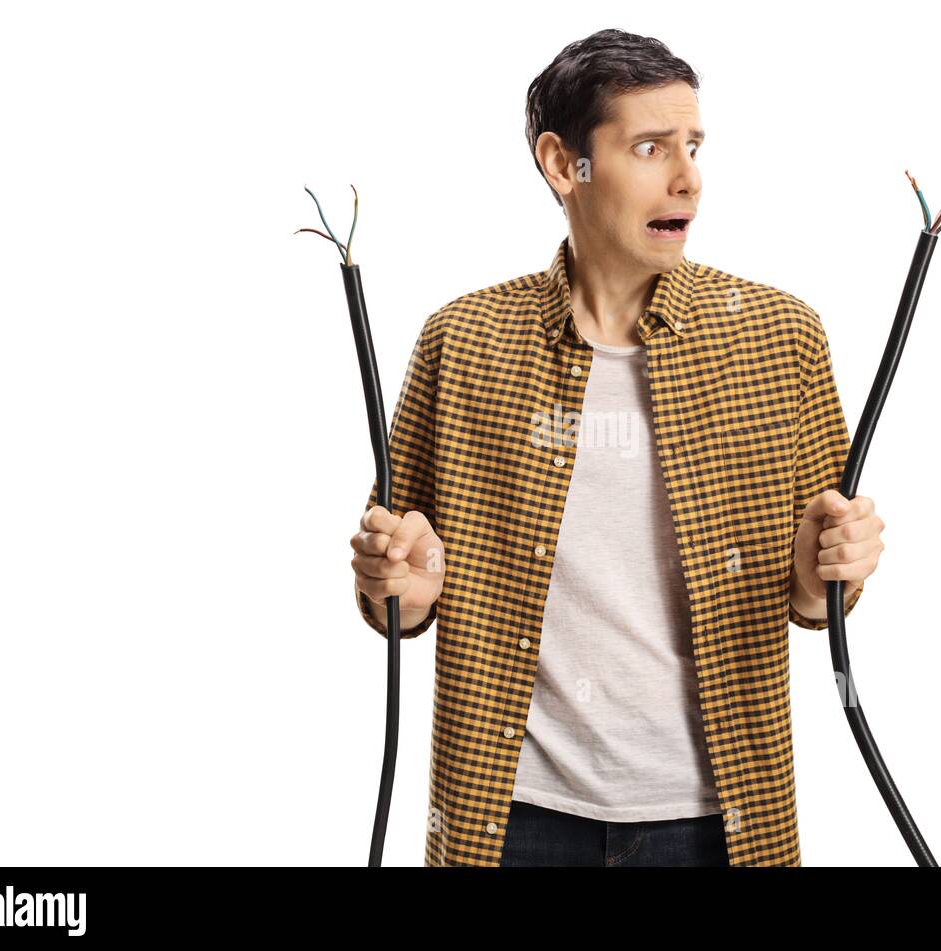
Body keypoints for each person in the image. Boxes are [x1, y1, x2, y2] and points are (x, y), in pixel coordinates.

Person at [349, 29, 885, 867]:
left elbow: (816, 602)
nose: (689, 179)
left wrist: (827, 578)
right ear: (566, 165)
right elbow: (401, 600)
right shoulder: (464, 343)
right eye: (649, 147)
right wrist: (401, 588)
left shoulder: (781, 339)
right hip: (512, 816)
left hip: (717, 820)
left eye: (695, 147)